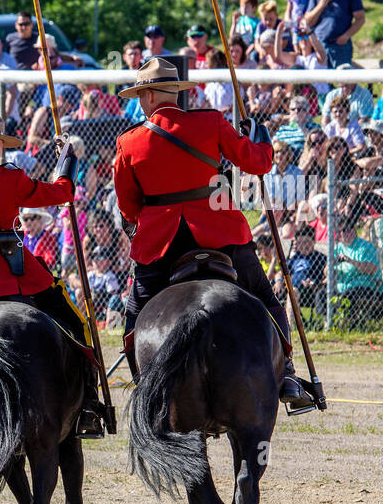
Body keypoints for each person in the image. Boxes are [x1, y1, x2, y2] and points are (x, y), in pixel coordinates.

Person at [112, 58, 314, 409]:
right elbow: (258, 163)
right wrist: (261, 137)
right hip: (219, 232)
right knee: (266, 299)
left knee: (136, 313)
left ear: (146, 96)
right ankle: (288, 375)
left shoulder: (129, 142)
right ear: (175, 93)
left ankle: (144, 388)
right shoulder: (210, 121)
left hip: (161, 243)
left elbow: (128, 206)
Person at [0, 109, 105, 436]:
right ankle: (88, 404)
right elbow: (62, 194)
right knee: (76, 323)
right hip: (17, 274)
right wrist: (66, 160)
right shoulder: (12, 178)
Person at [302, 0, 365, 67]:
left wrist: (346, 36)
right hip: (319, 44)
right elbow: (308, 21)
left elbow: (360, 19)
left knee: (343, 81)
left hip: (340, 46)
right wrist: (321, 4)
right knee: (321, 82)